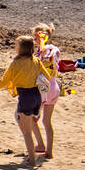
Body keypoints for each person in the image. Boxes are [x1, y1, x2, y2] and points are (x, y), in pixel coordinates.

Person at [0, 35, 48, 167]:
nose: (15, 47)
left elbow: (3, 82)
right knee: (29, 125)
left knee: (26, 131)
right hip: (36, 96)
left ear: (21, 49)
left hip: (25, 95)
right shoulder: (36, 61)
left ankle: (32, 159)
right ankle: (31, 156)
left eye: (17, 45)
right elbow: (47, 76)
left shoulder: (16, 63)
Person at [33, 23, 61, 159]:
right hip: (53, 87)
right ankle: (48, 150)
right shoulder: (49, 50)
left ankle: (40, 144)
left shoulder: (47, 50)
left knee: (31, 118)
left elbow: (43, 64)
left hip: (43, 88)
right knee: (46, 121)